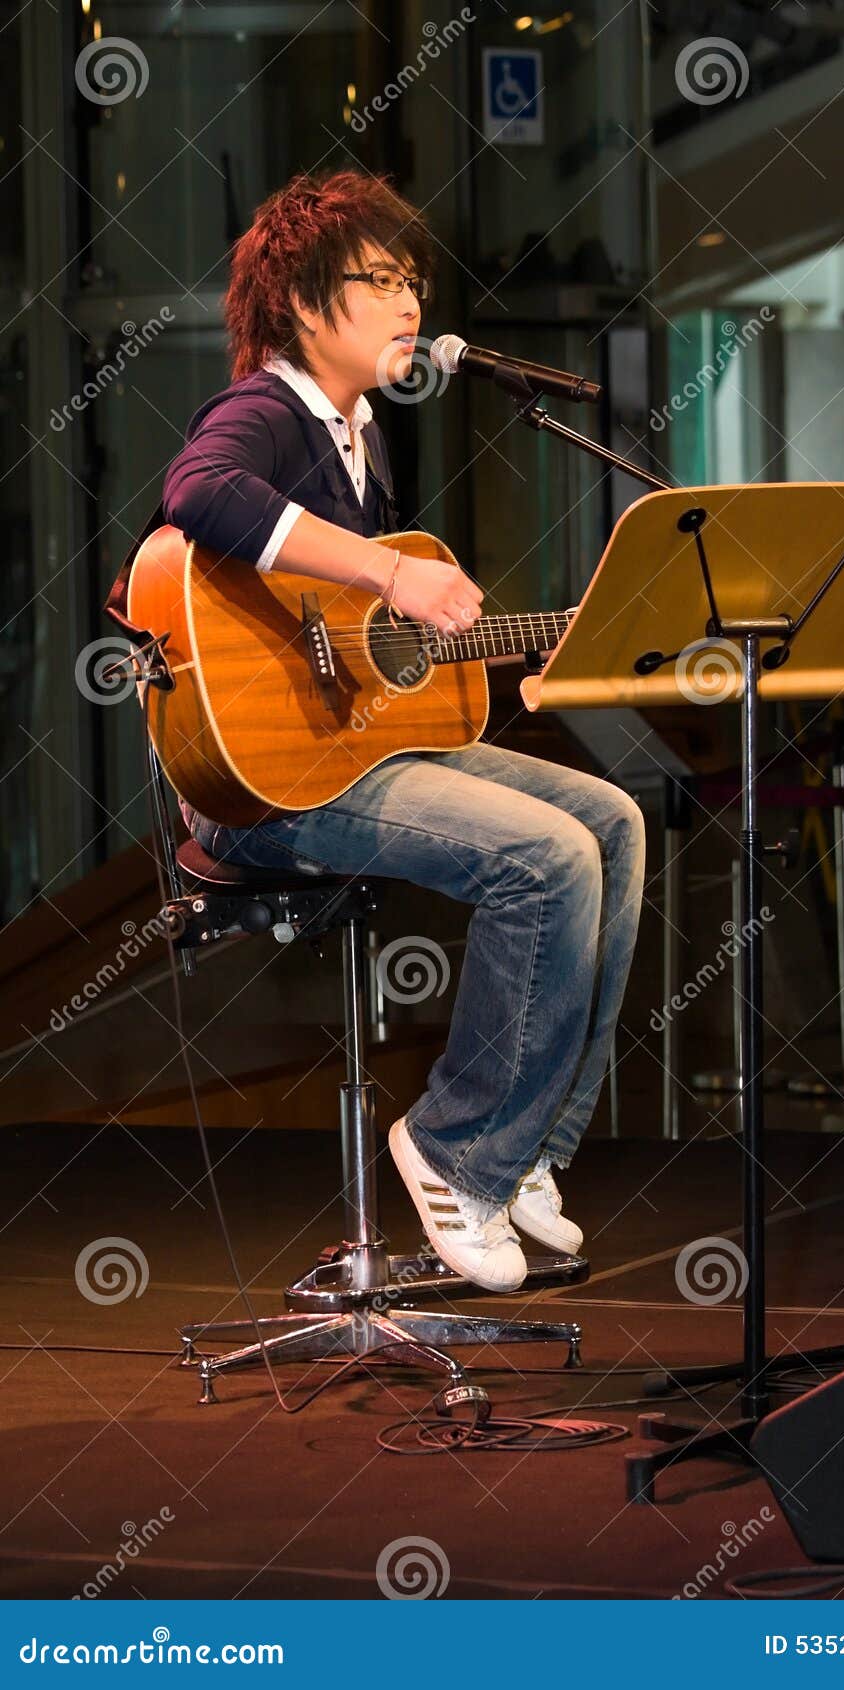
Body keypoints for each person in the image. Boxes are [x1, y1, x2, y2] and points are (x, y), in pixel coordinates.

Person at [159, 169, 646, 1290]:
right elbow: (198, 493)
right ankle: (456, 1147)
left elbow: (371, 656)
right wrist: (388, 570)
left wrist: (511, 646)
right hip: (265, 794)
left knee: (610, 820)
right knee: (545, 854)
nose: (410, 304)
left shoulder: (364, 437)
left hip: (353, 755)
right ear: (301, 305)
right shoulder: (267, 411)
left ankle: (527, 1151)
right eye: (378, 282)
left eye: (412, 282)